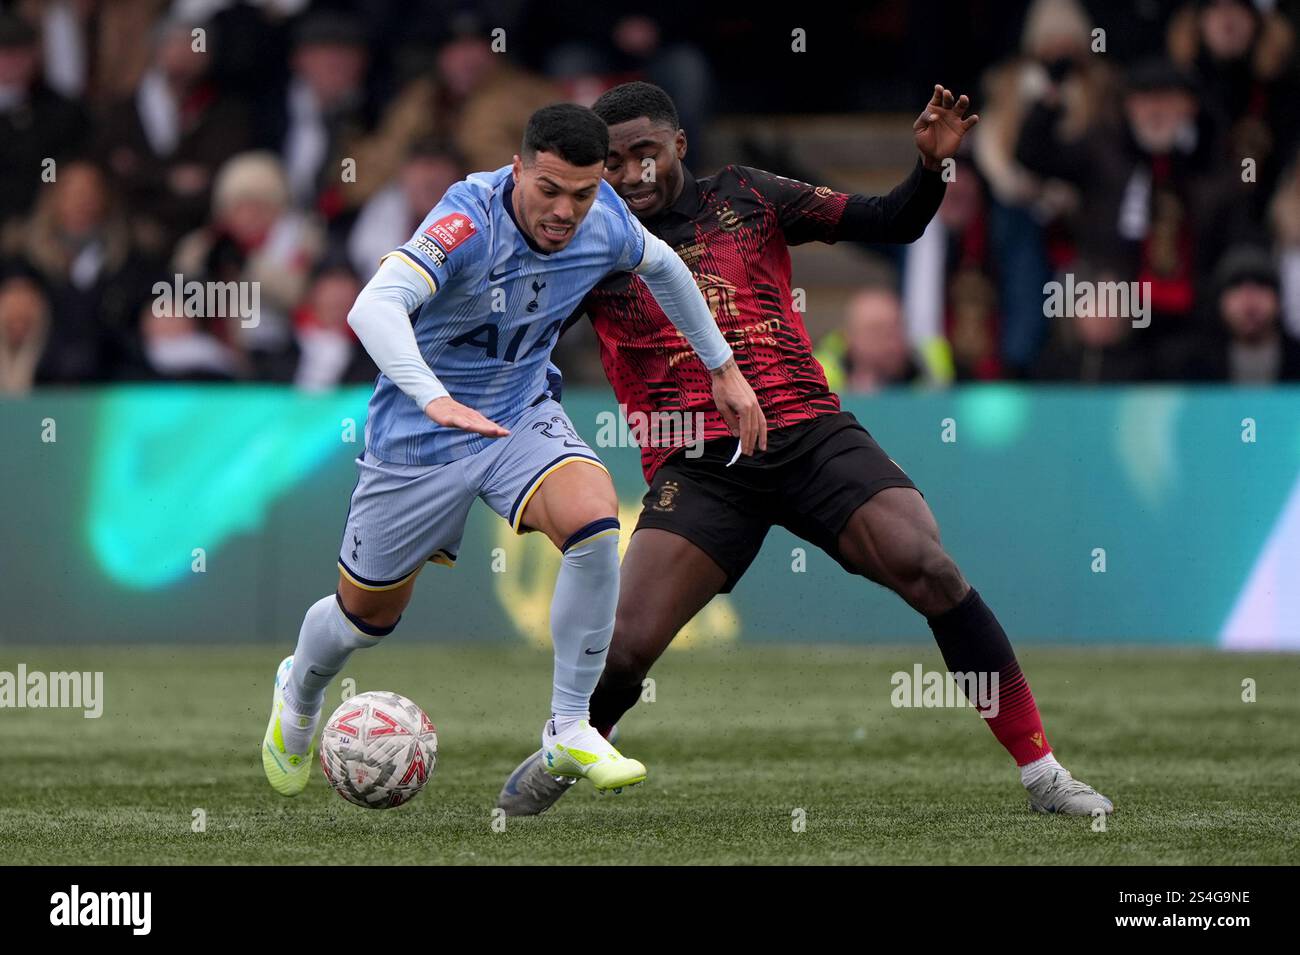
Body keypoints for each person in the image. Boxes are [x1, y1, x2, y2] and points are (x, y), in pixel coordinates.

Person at [498, 82, 1113, 818]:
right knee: (624, 645)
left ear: (680, 146)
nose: (634, 175)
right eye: (617, 163)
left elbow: (892, 221)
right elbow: (521, 330)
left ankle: (1043, 771)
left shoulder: (750, 196)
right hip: (699, 465)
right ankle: (569, 741)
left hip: (811, 434)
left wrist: (929, 169)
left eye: (646, 154)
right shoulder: (591, 238)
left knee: (931, 567)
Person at [261, 104, 763, 799]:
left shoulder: (606, 218)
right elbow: (372, 306)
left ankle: (568, 728)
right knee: (361, 620)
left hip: (519, 414)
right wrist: (432, 396)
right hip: (420, 435)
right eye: (549, 190)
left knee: (593, 520)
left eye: (582, 194)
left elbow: (667, 267)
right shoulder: (468, 221)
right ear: (518, 168)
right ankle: (300, 691)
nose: (566, 211)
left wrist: (723, 367)